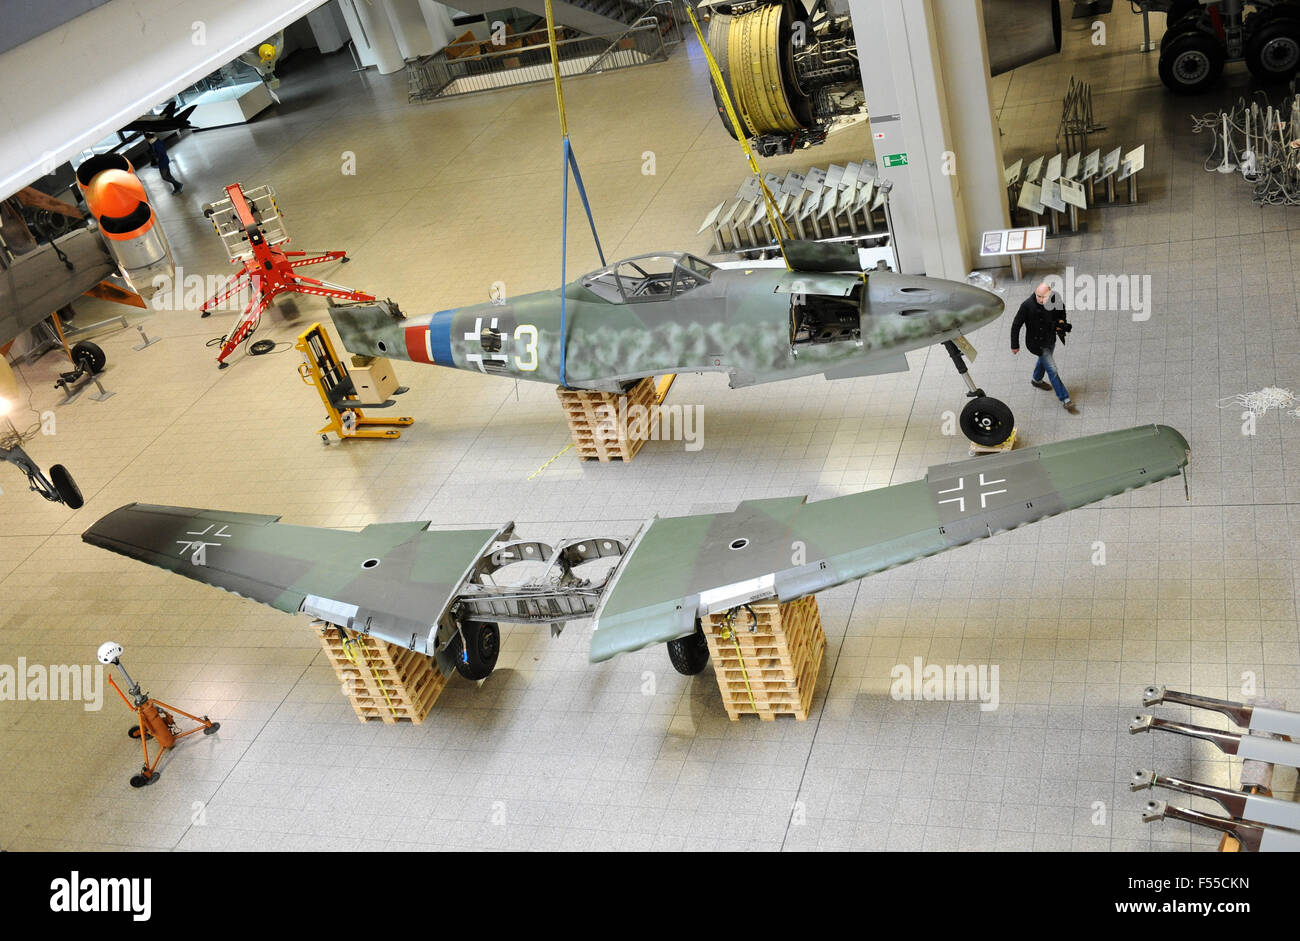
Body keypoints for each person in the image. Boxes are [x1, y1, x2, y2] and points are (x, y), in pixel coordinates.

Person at [1011, 280, 1075, 411]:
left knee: (1044, 361)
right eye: (1038, 296)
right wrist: (1014, 345)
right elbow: (1016, 325)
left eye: (1043, 297)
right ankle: (1065, 398)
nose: (1040, 299)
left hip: (1050, 338)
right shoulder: (1027, 305)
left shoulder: (1055, 298)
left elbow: (1061, 311)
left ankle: (1036, 380)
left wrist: (1062, 322)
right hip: (1037, 344)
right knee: (1052, 369)